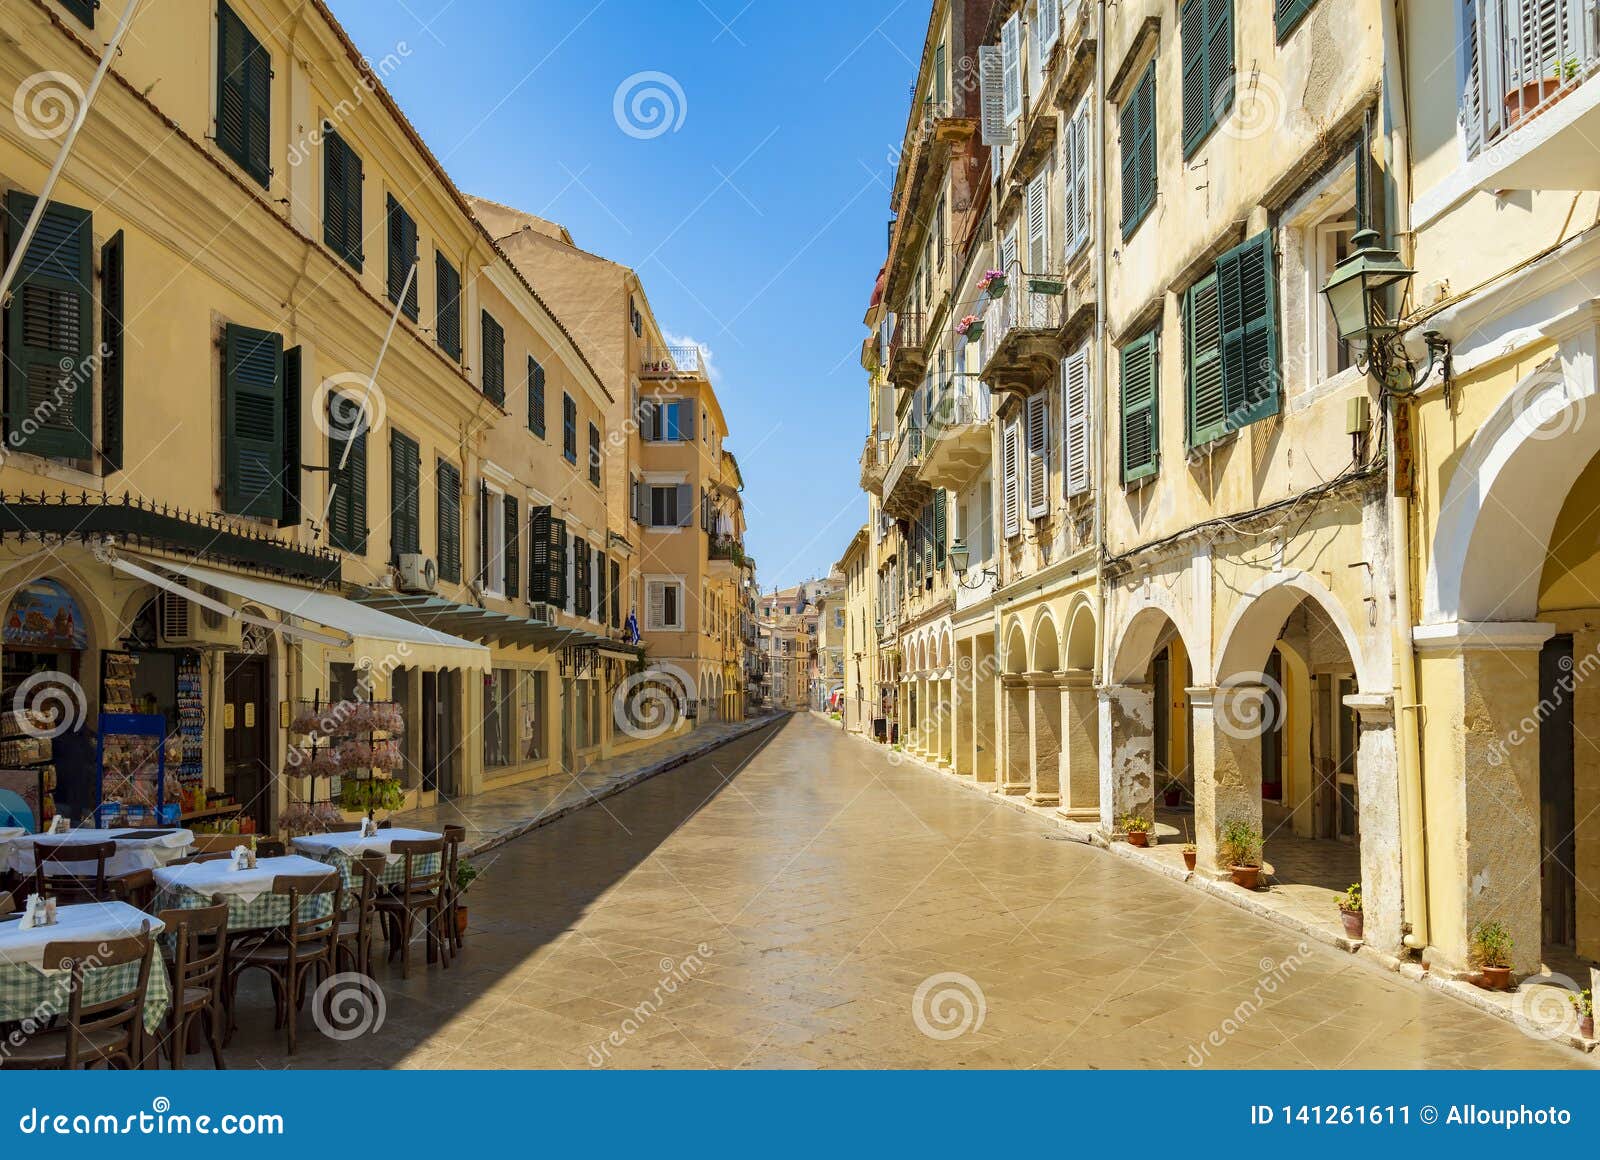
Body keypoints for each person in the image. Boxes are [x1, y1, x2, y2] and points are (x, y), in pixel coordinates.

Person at [52, 719, 97, 826]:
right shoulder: (86, 741)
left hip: (60, 799)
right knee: (84, 839)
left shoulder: (56, 740)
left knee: (58, 837)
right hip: (82, 802)